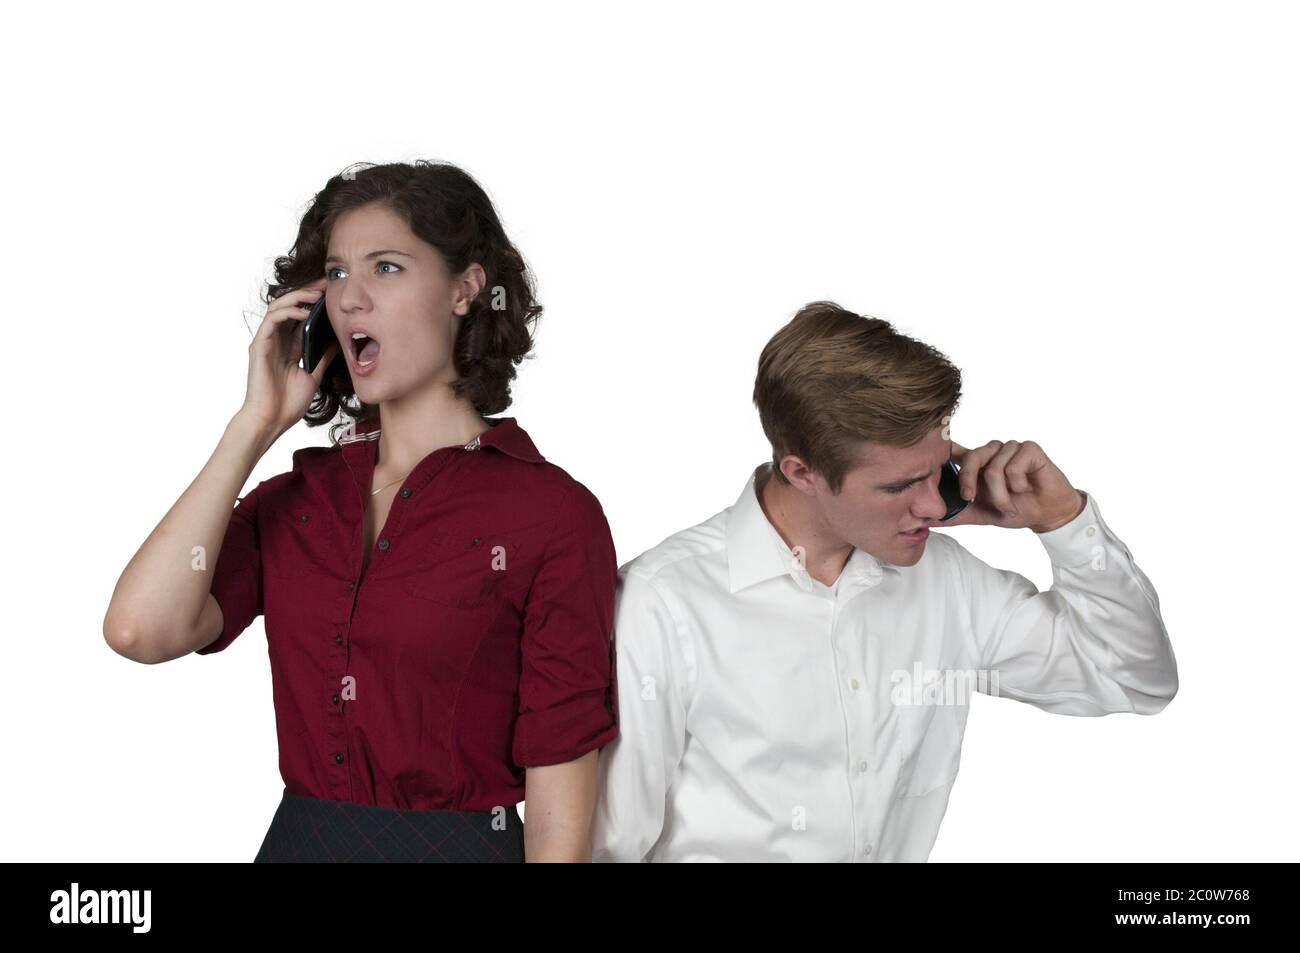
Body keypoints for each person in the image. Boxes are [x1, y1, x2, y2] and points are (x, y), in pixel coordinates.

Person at [103, 160, 619, 862]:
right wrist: (252, 426)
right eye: (338, 273)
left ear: (467, 289)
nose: (350, 299)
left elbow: (560, 786)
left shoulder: (553, 516)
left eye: (387, 268)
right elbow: (139, 628)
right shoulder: (300, 499)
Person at [590, 300, 1178, 862]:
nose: (932, 505)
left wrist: (1063, 523)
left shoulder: (947, 582)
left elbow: (1133, 680)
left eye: (937, 470)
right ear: (802, 472)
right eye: (899, 487)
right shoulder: (663, 604)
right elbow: (606, 847)